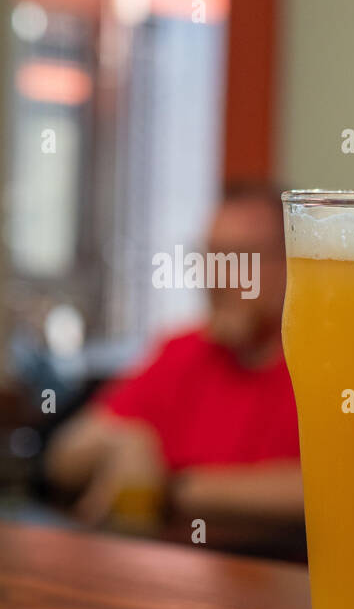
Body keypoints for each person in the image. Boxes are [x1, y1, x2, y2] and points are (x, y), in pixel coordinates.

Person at [45, 182, 303, 527]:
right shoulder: (185, 351)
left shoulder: (328, 365)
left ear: (291, 265)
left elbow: (331, 489)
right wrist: (121, 441)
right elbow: (62, 458)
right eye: (210, 257)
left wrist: (173, 487)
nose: (217, 276)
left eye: (241, 259)